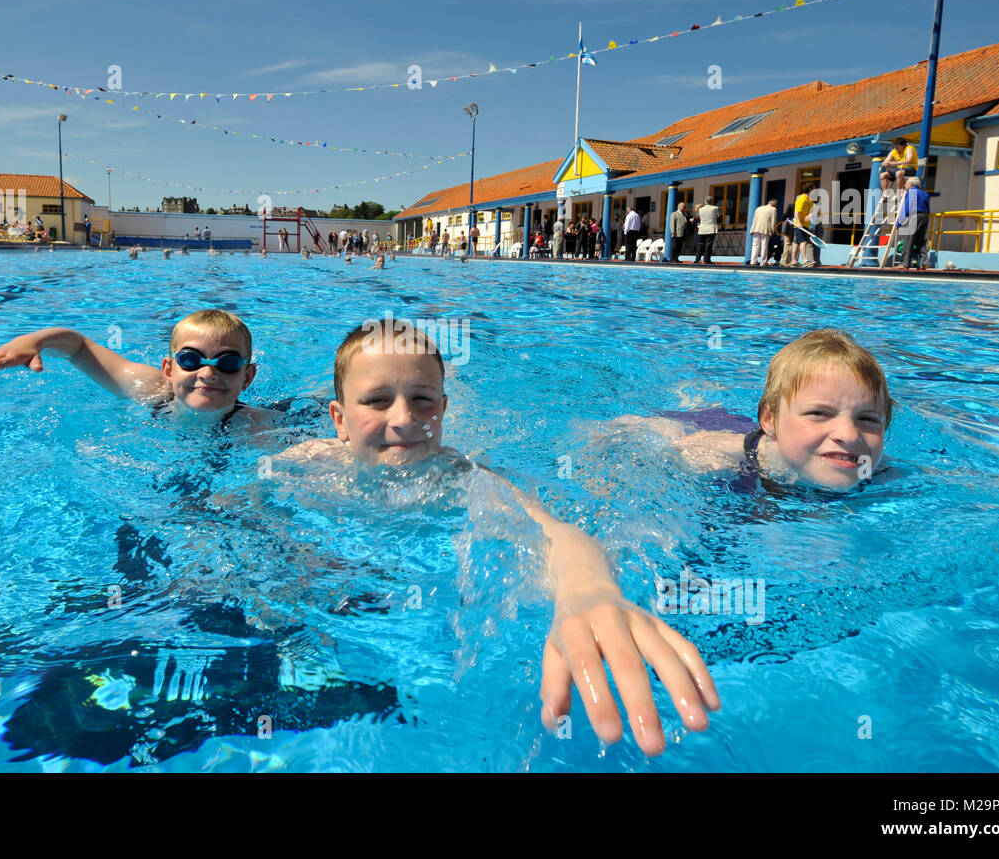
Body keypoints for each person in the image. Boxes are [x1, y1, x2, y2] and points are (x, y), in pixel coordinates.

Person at [269, 318, 721, 752]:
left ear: (444, 410)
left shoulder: (464, 475)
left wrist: (588, 588)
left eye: (423, 399)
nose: (404, 418)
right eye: (377, 401)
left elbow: (551, 530)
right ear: (339, 420)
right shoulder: (306, 464)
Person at [609, 328, 892, 492]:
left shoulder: (878, 470)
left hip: (758, 427)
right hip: (718, 430)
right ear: (770, 419)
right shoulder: (719, 460)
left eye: (867, 418)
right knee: (694, 414)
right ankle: (692, 395)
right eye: (820, 413)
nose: (849, 434)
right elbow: (647, 446)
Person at [0, 309, 279, 430]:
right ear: (168, 370)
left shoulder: (258, 425)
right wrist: (35, 340)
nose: (208, 373)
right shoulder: (150, 389)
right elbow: (77, 346)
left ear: (247, 377)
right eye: (191, 360)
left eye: (226, 363)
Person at [894, 176, 931, 270]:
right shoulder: (925, 194)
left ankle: (904, 264)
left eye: (906, 183)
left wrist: (898, 223)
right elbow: (928, 208)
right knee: (920, 241)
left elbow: (907, 209)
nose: (905, 185)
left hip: (914, 217)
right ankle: (925, 262)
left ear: (911, 184)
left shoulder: (911, 192)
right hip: (925, 217)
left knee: (908, 240)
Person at [748, 198, 778, 266]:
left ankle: (753, 261)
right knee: (764, 246)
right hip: (765, 229)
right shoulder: (773, 209)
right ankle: (763, 262)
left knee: (755, 245)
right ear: (774, 204)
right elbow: (773, 221)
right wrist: (772, 231)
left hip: (756, 228)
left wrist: (752, 229)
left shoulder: (759, 208)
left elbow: (754, 219)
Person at [793, 189, 816, 267]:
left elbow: (808, 216)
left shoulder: (810, 202)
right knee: (803, 242)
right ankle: (804, 260)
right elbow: (796, 213)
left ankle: (794, 261)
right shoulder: (801, 200)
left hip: (805, 225)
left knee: (797, 243)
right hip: (800, 226)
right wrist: (799, 223)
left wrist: (811, 215)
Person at [694, 196, 720, 264]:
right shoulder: (715, 208)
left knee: (700, 245)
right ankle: (707, 259)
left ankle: (697, 259)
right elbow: (717, 216)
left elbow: (698, 217)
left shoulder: (701, 209)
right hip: (711, 228)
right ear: (712, 202)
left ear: (705, 202)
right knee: (708, 245)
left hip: (702, 229)